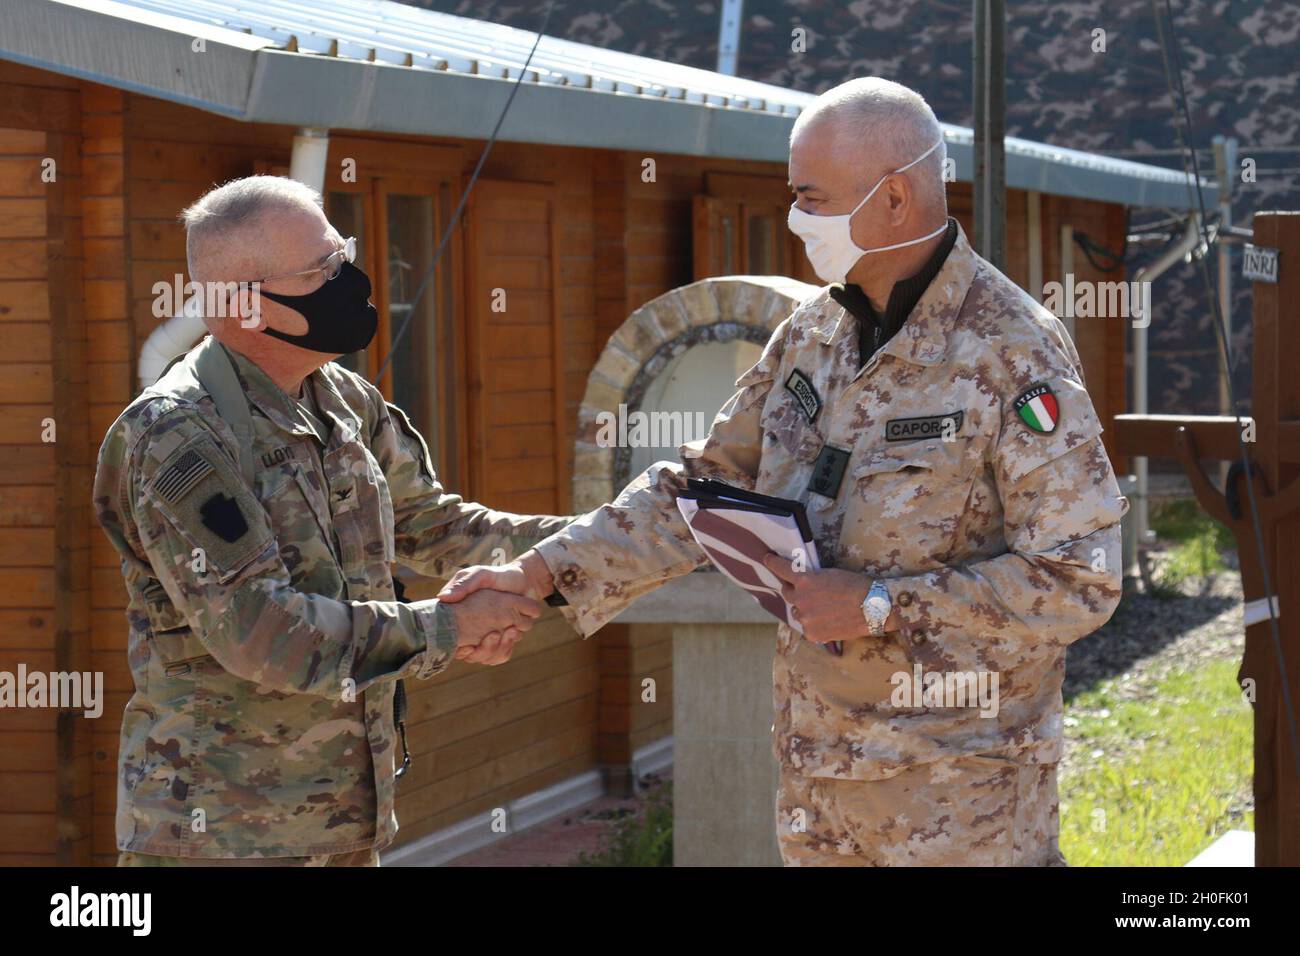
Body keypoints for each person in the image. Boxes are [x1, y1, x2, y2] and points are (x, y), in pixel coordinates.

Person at [439, 78, 1128, 866]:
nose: (797, 218)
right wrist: (533, 576)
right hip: (819, 793)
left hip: (958, 803)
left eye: (812, 197)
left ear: (895, 198)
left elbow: (1082, 576)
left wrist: (878, 605)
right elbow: (698, 492)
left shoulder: (1013, 350)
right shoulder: (812, 335)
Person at [94, 176, 568, 866]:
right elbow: (264, 632)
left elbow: (435, 524)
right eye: (324, 269)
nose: (352, 280)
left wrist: (600, 543)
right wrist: (452, 625)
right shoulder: (178, 437)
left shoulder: (342, 397)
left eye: (342, 256)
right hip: (225, 837)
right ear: (251, 308)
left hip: (346, 824)